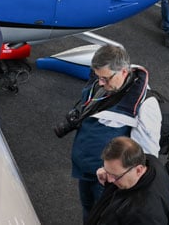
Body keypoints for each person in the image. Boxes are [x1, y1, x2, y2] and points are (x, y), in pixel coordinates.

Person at [66, 45, 163, 221]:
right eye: (98, 77)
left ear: (124, 72)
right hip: (86, 171)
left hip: (109, 181)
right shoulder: (102, 85)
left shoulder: (146, 105)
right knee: (89, 212)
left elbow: (146, 156)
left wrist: (112, 176)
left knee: (103, 218)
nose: (100, 83)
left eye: (105, 78)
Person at [86, 137, 169, 225]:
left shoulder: (143, 215)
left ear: (138, 170)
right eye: (107, 170)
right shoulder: (150, 161)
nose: (109, 180)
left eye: (115, 176)